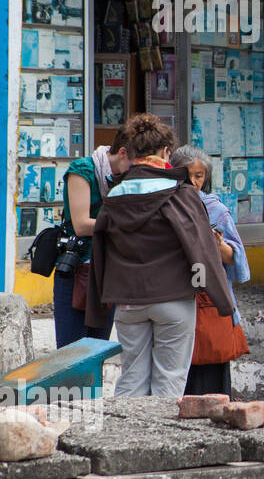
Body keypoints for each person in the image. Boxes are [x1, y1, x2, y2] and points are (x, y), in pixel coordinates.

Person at [87, 114, 233, 398]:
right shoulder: (181, 193)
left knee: (132, 379)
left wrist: (100, 302)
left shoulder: (115, 194)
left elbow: (100, 248)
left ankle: (124, 441)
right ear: (167, 152)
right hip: (174, 299)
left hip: (128, 302)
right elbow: (200, 248)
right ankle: (160, 442)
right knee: (170, 380)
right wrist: (214, 292)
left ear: (131, 152)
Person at [170, 145, 250, 397]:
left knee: (211, 367)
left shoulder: (216, 210)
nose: (193, 182)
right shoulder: (166, 205)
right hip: (176, 298)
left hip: (209, 302)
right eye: (188, 175)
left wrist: (218, 245)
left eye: (199, 176)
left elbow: (236, 258)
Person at [53, 126, 132, 347]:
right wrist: (127, 226)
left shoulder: (126, 179)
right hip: (78, 270)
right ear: (123, 152)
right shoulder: (83, 170)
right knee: (71, 351)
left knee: (97, 349)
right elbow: (81, 225)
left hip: (108, 270)